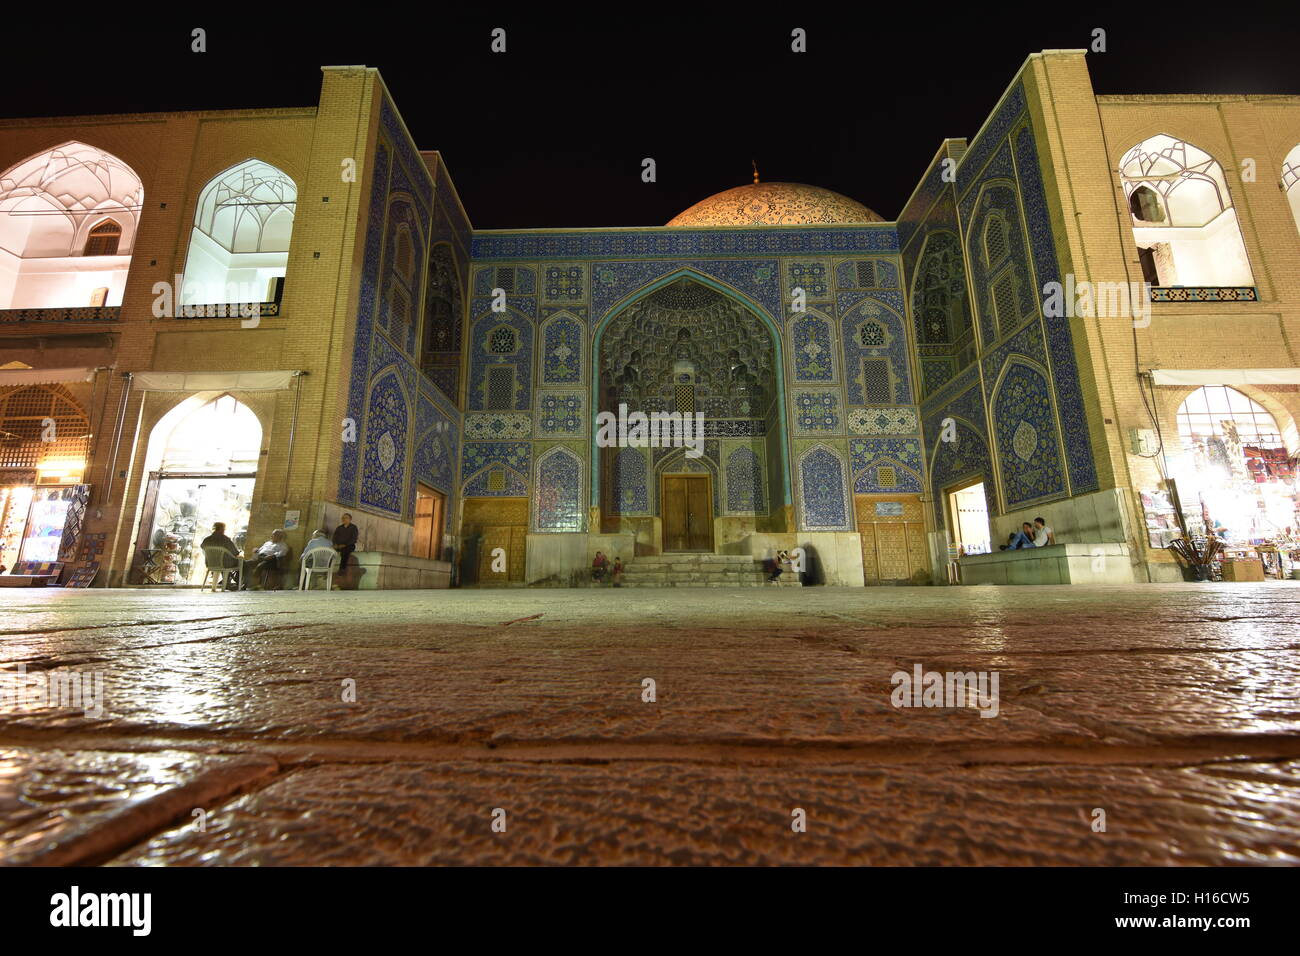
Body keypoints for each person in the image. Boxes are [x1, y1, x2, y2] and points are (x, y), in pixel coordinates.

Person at [200, 521, 242, 590]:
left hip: (210, 563)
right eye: (224, 529)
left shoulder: (207, 539)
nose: (224, 530)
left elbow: (202, 547)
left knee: (226, 561)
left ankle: (226, 581)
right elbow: (235, 553)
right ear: (221, 529)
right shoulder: (226, 539)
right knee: (241, 563)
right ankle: (234, 583)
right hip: (225, 564)